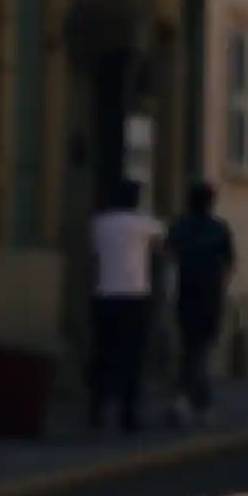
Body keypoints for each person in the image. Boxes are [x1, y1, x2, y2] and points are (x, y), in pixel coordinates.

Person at [89, 179, 164, 433]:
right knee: (133, 357)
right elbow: (163, 240)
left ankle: (97, 409)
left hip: (105, 294)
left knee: (104, 353)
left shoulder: (99, 223)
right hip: (135, 296)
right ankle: (128, 414)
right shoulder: (143, 224)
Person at [166, 182, 235, 426]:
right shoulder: (219, 229)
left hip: (186, 293)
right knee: (200, 351)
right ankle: (194, 402)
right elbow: (229, 262)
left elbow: (170, 254)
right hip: (210, 295)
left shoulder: (179, 227)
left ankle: (185, 400)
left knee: (189, 349)